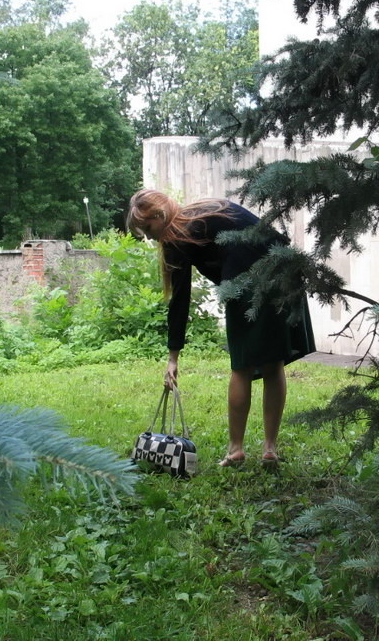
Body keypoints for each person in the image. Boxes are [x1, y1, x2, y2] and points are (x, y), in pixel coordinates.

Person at [126, 189, 316, 468]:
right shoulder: (207, 209)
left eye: (147, 228)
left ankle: (236, 449)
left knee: (241, 368)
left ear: (159, 214)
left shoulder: (178, 234)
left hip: (250, 284)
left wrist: (173, 356)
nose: (148, 236)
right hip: (284, 268)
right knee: (273, 364)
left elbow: (180, 299)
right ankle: (269, 449)